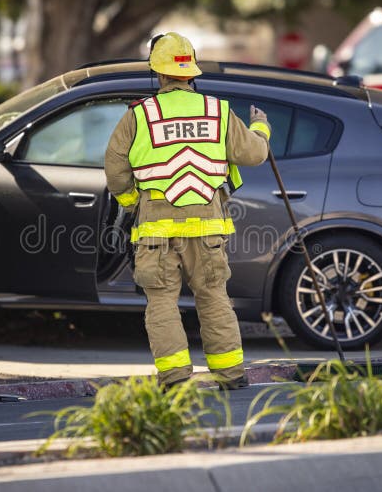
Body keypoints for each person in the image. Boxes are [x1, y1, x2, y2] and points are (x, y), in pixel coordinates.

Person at [104, 32, 271, 389]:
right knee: (212, 297)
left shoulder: (139, 116)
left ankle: (176, 379)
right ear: (191, 72)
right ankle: (230, 374)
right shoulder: (218, 111)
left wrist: (131, 202)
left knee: (162, 302)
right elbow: (255, 154)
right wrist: (260, 127)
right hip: (208, 227)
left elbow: (115, 169)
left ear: (158, 74)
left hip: (156, 230)